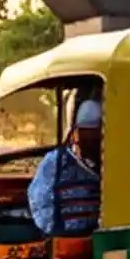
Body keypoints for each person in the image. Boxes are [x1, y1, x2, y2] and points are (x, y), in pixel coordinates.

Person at [27, 99, 102, 236]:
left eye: (95, 137)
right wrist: (57, 233)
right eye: (86, 135)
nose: (91, 144)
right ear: (75, 134)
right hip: (65, 240)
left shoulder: (106, 163)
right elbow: (40, 200)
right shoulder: (55, 162)